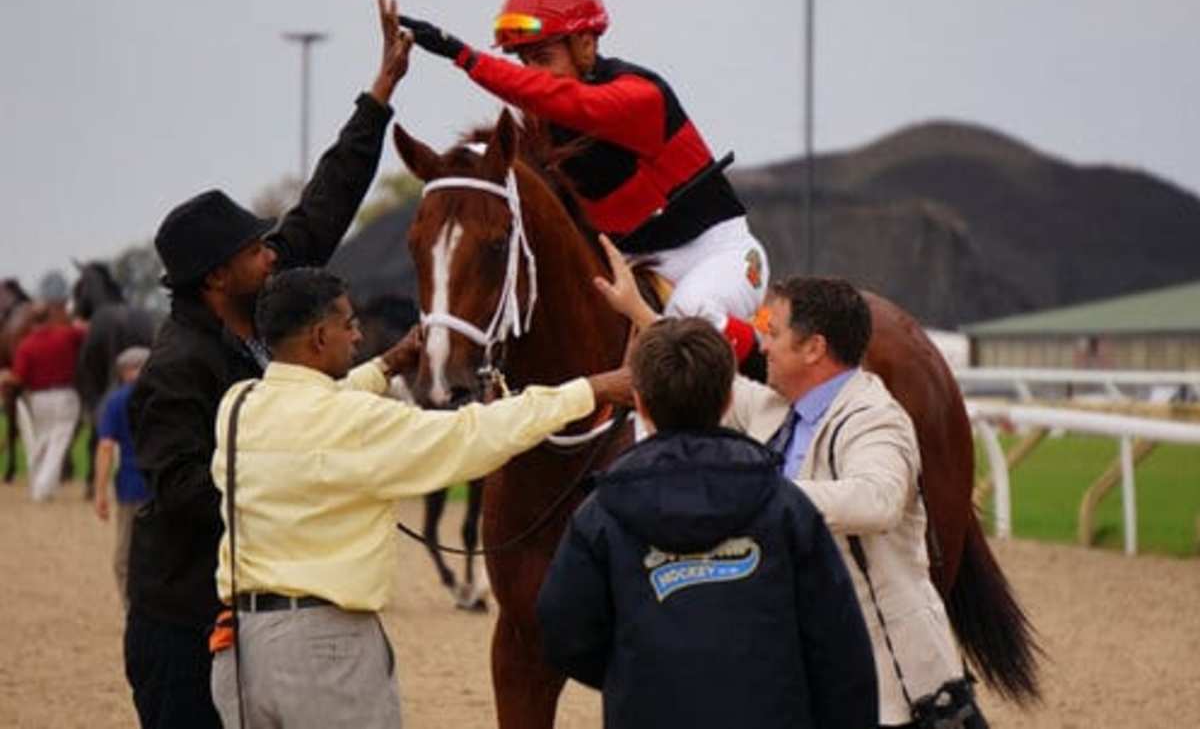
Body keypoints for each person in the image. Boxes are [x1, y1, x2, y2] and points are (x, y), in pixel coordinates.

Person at [123, 0, 413, 729]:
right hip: (181, 621)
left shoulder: (266, 302)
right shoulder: (175, 366)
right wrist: (297, 480)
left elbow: (325, 204)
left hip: (247, 615)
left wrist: (377, 98)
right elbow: (183, 489)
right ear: (217, 277)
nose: (272, 250)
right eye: (255, 248)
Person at [208, 268, 631, 728]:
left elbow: (311, 400)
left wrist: (387, 364)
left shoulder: (240, 403)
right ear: (318, 336)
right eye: (348, 324)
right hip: (325, 652)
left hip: (243, 650)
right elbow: (471, 434)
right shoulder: (354, 421)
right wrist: (592, 390)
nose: (357, 334)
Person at [593, 241, 976, 729]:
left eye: (771, 333)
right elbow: (699, 375)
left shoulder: (876, 417)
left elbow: (877, 501)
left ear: (813, 347)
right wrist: (639, 312)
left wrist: (755, 496)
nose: (762, 345)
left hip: (894, 690)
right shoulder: (775, 410)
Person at [400, 0, 769, 365]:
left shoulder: (639, 96)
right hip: (625, 263)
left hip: (712, 253)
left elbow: (569, 102)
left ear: (587, 46)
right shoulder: (544, 125)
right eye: (526, 62)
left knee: (688, 312)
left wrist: (465, 57)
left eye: (543, 57)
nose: (534, 75)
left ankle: (771, 378)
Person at [535, 316, 876, 729]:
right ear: (729, 400)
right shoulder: (786, 507)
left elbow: (563, 632)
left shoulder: (600, 513)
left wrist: (637, 669)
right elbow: (840, 646)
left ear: (639, 404)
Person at [5, 271, 86, 502]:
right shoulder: (68, 335)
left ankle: (39, 484)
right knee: (59, 444)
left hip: (38, 399)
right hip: (65, 396)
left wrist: (4, 377)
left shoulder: (26, 346)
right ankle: (42, 488)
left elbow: (18, 377)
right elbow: (86, 334)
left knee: (41, 441)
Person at [93, 345, 151, 609]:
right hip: (161, 482)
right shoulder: (162, 394)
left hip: (130, 483)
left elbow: (106, 447)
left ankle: (132, 607)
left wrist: (100, 492)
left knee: (125, 554)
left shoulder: (116, 402)